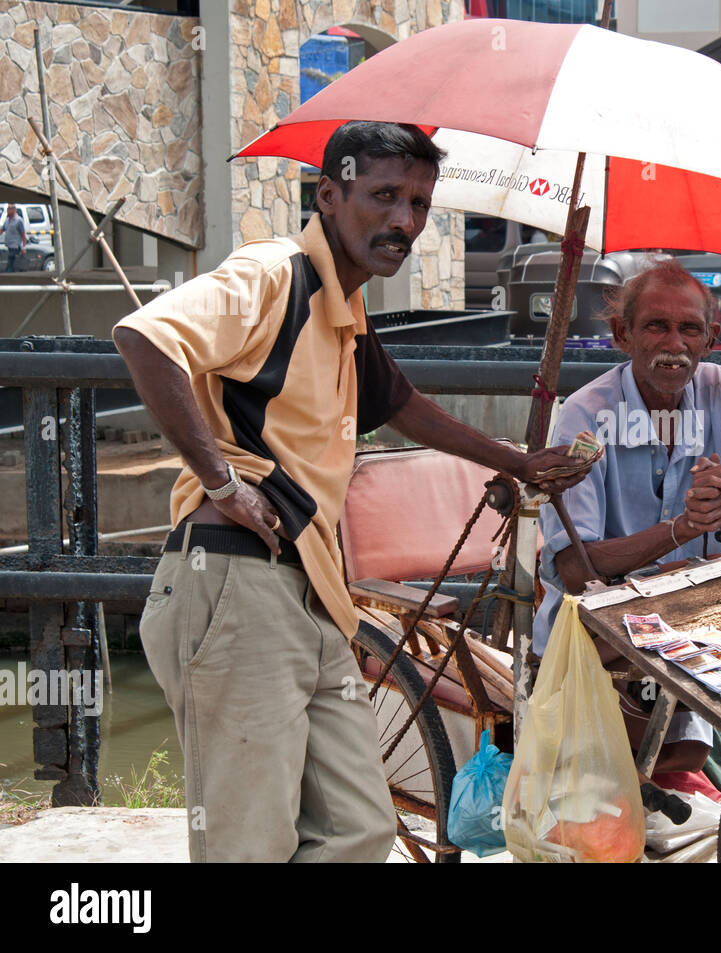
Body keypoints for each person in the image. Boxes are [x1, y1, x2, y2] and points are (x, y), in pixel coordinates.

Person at [113, 121, 591, 863]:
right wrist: (221, 480)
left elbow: (399, 402)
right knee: (249, 842)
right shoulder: (276, 274)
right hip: (235, 579)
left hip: (312, 596)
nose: (404, 220)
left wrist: (518, 461)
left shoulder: (344, 307)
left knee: (360, 828)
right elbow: (146, 337)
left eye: (420, 204)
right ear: (329, 196)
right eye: (384, 196)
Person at [533, 259, 721, 773]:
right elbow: (577, 570)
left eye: (690, 328)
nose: (675, 344)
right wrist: (682, 530)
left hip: (690, 612)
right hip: (597, 632)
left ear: (709, 338)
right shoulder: (585, 415)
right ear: (623, 334)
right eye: (656, 326)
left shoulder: (720, 390)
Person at [3, 205, 25, 272]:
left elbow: (23, 235)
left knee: (11, 266)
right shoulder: (7, 220)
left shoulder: (19, 221)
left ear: (14, 210)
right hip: (9, 246)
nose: (8, 210)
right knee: (11, 266)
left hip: (16, 247)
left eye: (10, 209)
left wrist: (24, 248)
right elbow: (2, 230)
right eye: (8, 209)